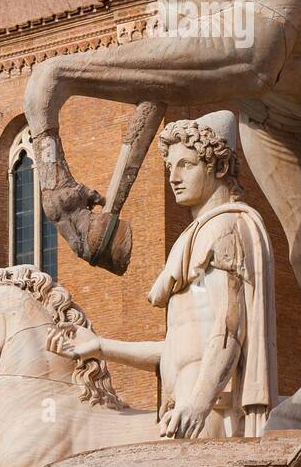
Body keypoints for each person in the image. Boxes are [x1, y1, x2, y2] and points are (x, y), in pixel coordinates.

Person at [61, 111, 278, 438]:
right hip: (187, 408)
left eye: (186, 165)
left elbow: (229, 328)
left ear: (218, 168)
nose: (173, 177)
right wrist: (100, 346)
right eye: (169, 168)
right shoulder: (197, 235)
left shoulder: (224, 229)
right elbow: (179, 348)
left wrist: (198, 405)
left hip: (210, 412)